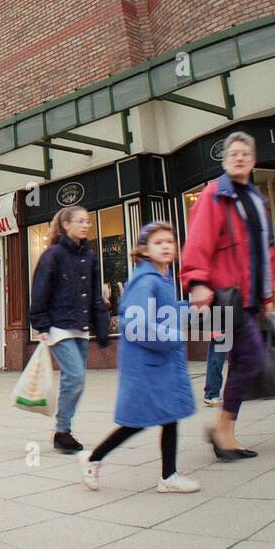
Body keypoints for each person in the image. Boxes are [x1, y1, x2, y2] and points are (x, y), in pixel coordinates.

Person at [82, 221, 199, 494]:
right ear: (144, 250)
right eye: (159, 242)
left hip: (157, 365)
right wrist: (175, 337)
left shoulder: (160, 278)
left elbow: (165, 313)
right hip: (147, 368)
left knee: (168, 417)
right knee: (135, 423)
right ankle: (92, 459)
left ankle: (168, 477)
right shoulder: (146, 281)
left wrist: (192, 308)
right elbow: (136, 325)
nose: (167, 246)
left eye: (170, 241)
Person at [181, 130, 274, 461]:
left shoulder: (257, 200)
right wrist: (196, 282)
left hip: (248, 296)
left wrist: (266, 294)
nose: (239, 157)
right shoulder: (213, 195)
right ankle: (223, 429)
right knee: (252, 357)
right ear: (224, 160)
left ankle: (226, 433)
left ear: (253, 160)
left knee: (239, 359)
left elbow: (265, 251)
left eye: (244, 154)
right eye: (233, 153)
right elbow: (198, 241)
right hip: (224, 294)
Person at [29, 205, 110, 454]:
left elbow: (96, 294)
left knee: (76, 380)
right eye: (80, 221)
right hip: (59, 327)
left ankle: (64, 430)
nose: (86, 225)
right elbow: (40, 290)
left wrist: (102, 327)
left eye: (87, 221)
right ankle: (62, 430)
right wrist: (41, 324)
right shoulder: (53, 255)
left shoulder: (90, 256)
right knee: (74, 376)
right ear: (66, 225)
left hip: (81, 327)